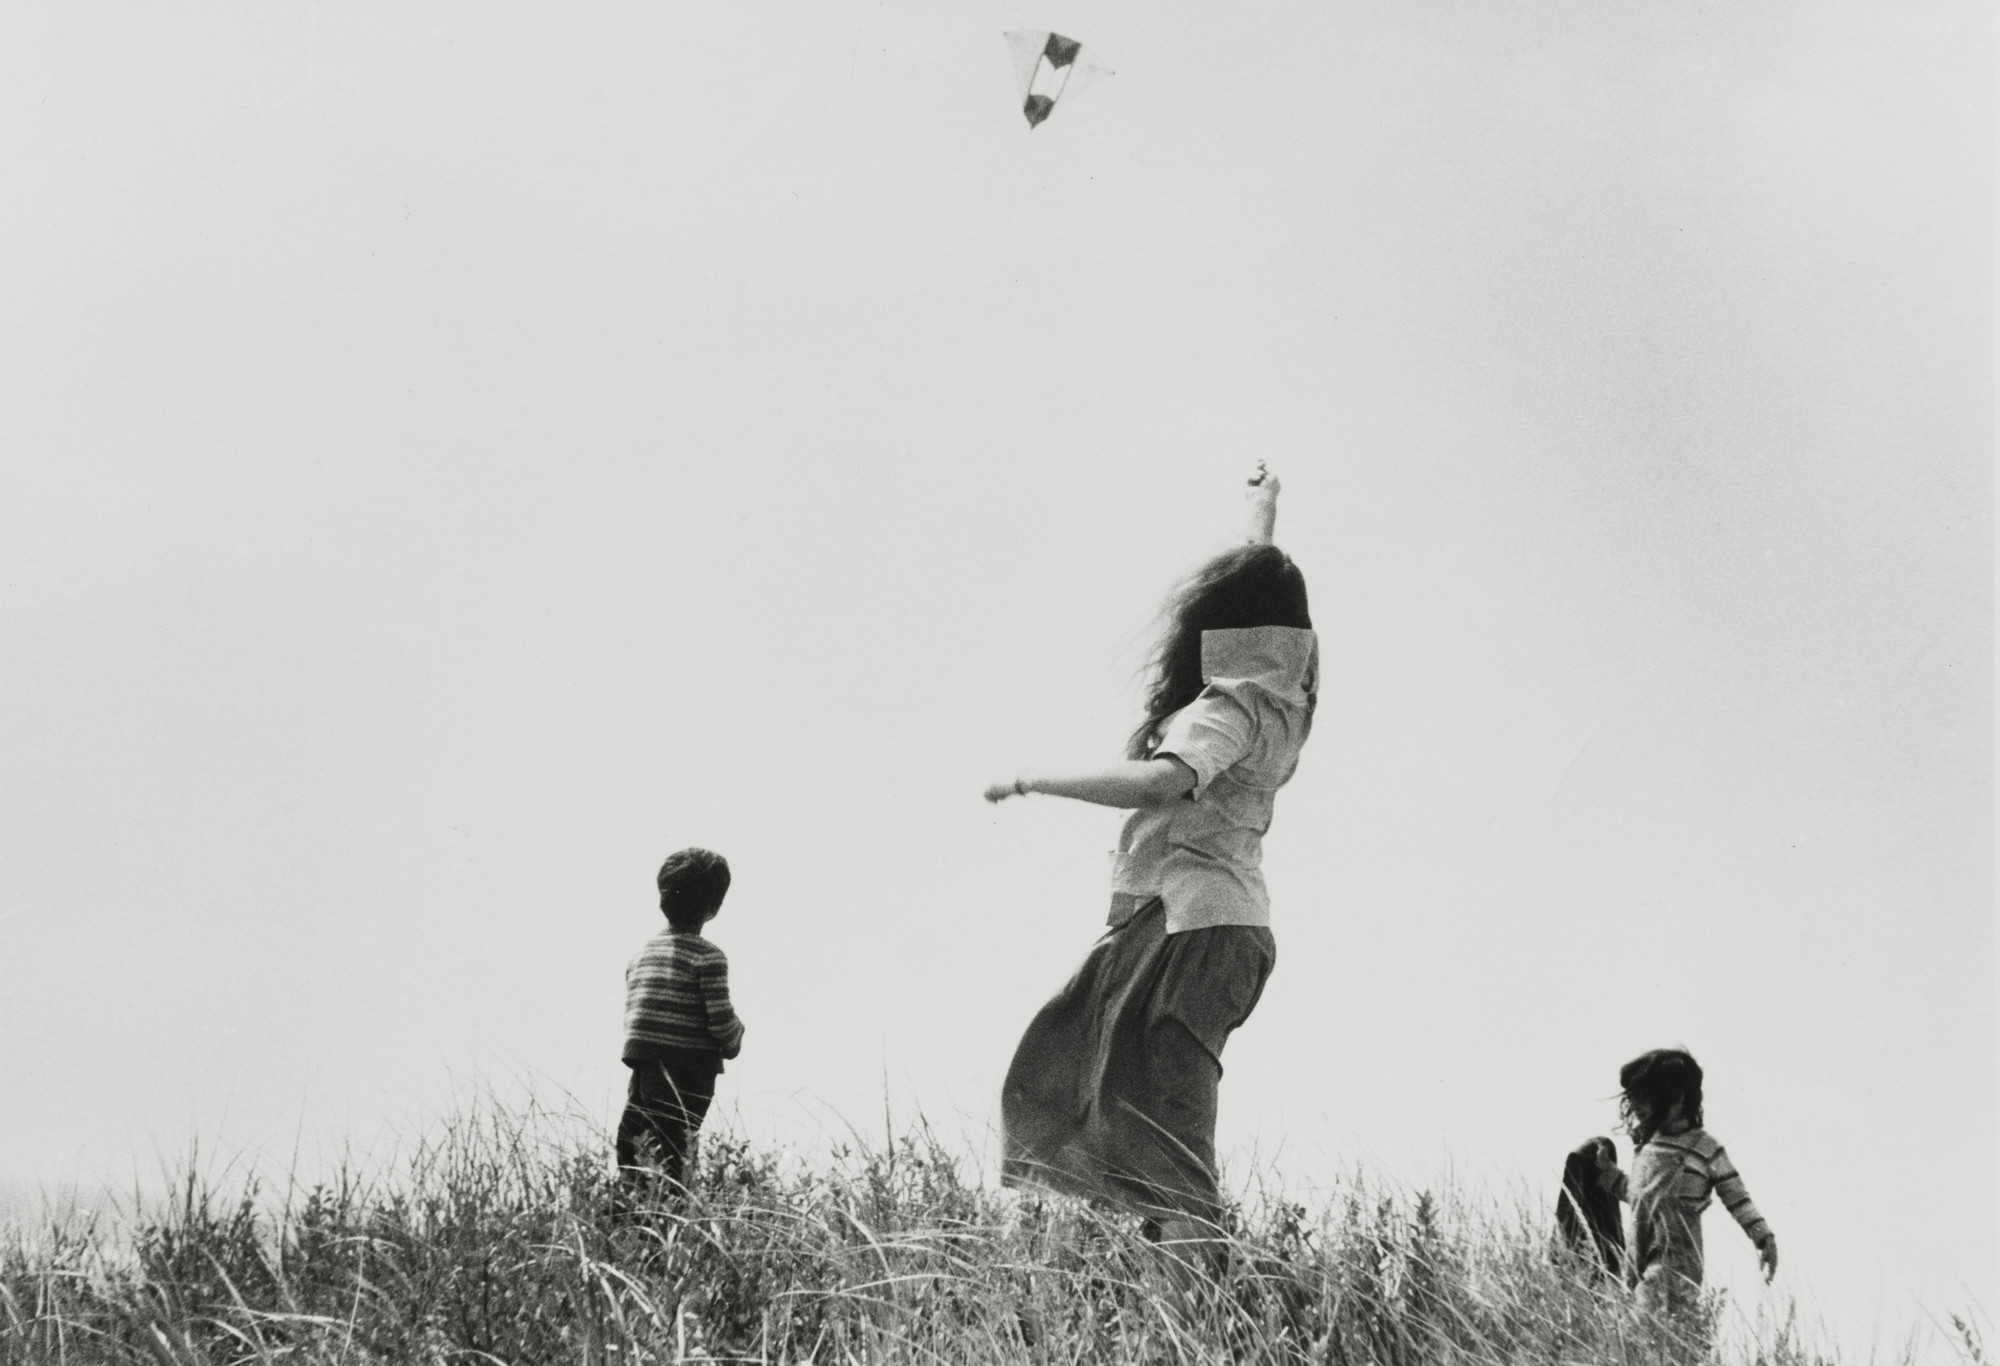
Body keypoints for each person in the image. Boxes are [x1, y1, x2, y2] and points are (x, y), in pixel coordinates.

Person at [984, 462, 1315, 1261]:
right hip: (1197, 924)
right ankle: (1173, 1290)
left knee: (1165, 1132)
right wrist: (1260, 511)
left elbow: (1167, 780)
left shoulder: (1228, 706)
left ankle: (1195, 1308)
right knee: (1108, 1088)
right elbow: (1259, 593)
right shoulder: (1280, 694)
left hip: (1192, 929)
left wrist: (1037, 780)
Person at [1593, 1048, 1778, 1320]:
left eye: (1645, 1098)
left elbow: (1737, 1197)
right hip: (1637, 1261)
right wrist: (1609, 1176)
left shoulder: (1706, 1149)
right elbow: (1640, 1194)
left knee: (1646, 1330)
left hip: (1675, 1269)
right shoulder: (1648, 1147)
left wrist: (1763, 1236)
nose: (1636, 1107)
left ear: (1677, 1099)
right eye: (1634, 1098)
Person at [615, 847, 745, 1192]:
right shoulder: (709, 957)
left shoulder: (641, 955)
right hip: (688, 1074)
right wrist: (736, 1036)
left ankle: (628, 1225)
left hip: (643, 1073)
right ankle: (670, 1228)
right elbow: (720, 1023)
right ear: (714, 907)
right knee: (675, 1156)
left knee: (634, 1152)